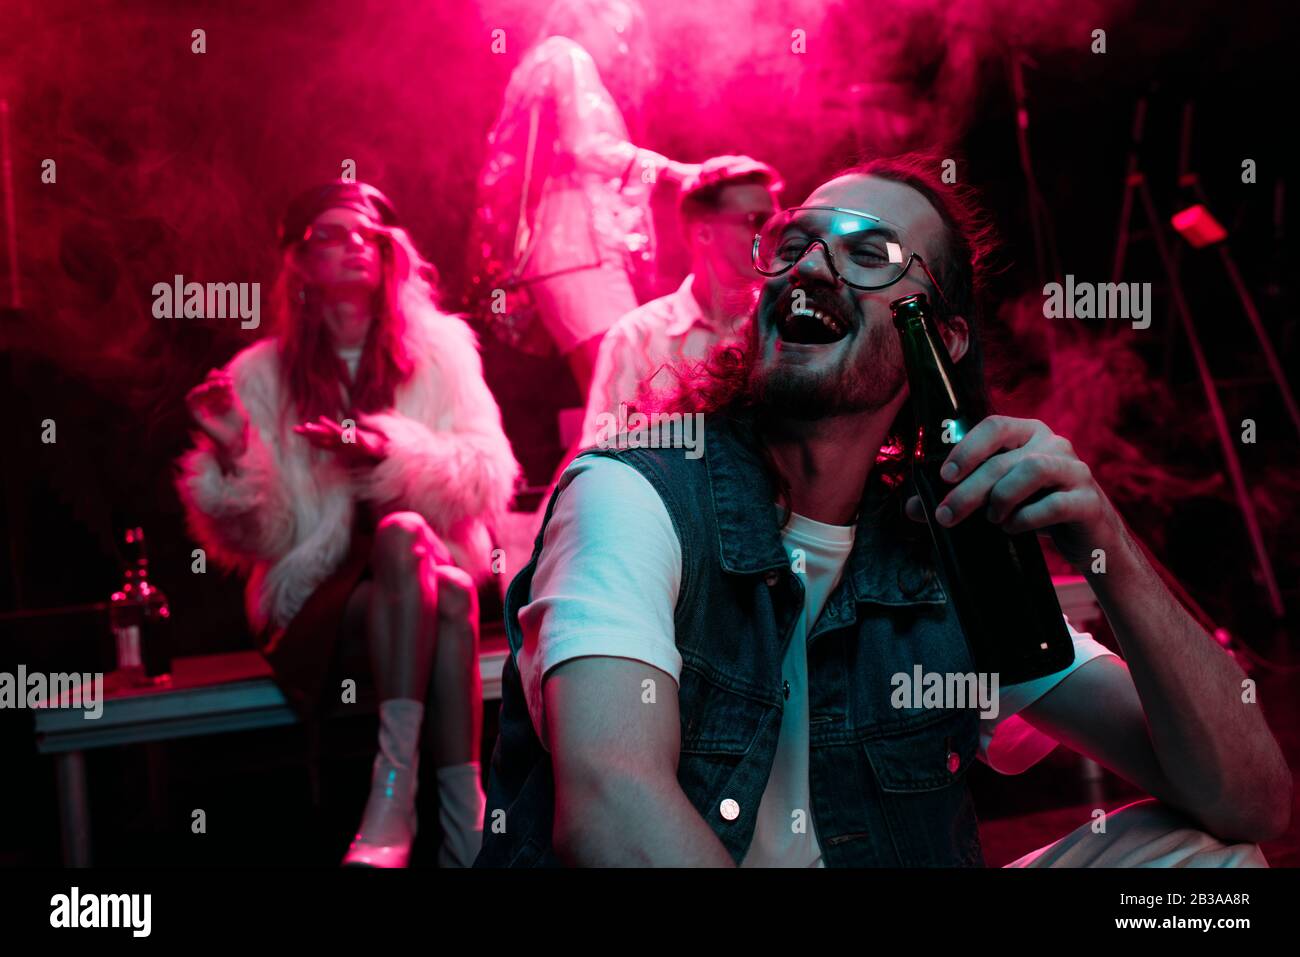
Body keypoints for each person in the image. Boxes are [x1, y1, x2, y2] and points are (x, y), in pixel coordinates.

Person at [476, 154, 1290, 867]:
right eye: (794, 245)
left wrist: (1108, 545)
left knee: (1205, 860)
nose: (811, 267)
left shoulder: (942, 552)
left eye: (871, 255)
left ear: (943, 340)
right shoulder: (634, 492)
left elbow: (1251, 803)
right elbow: (612, 810)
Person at [177, 181, 520, 868]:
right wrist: (234, 449)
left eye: (366, 234)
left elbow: (491, 475)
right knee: (448, 592)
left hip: (420, 576)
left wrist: (389, 452)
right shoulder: (263, 374)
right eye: (328, 236)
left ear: (390, 254)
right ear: (299, 264)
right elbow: (263, 539)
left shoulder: (445, 349)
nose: (353, 245)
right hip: (317, 601)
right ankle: (464, 822)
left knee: (416, 552)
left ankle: (392, 798)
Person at [470, 0, 701, 394]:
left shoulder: (539, 63)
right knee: (630, 392)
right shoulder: (569, 57)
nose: (623, 47)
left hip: (559, 255)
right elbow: (586, 147)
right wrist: (669, 170)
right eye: (618, 32)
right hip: (579, 253)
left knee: (610, 404)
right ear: (588, 14)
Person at [578, 155, 782, 451]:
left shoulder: (782, 328)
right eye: (757, 221)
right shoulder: (636, 336)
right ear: (703, 232)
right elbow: (603, 455)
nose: (771, 236)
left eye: (775, 223)